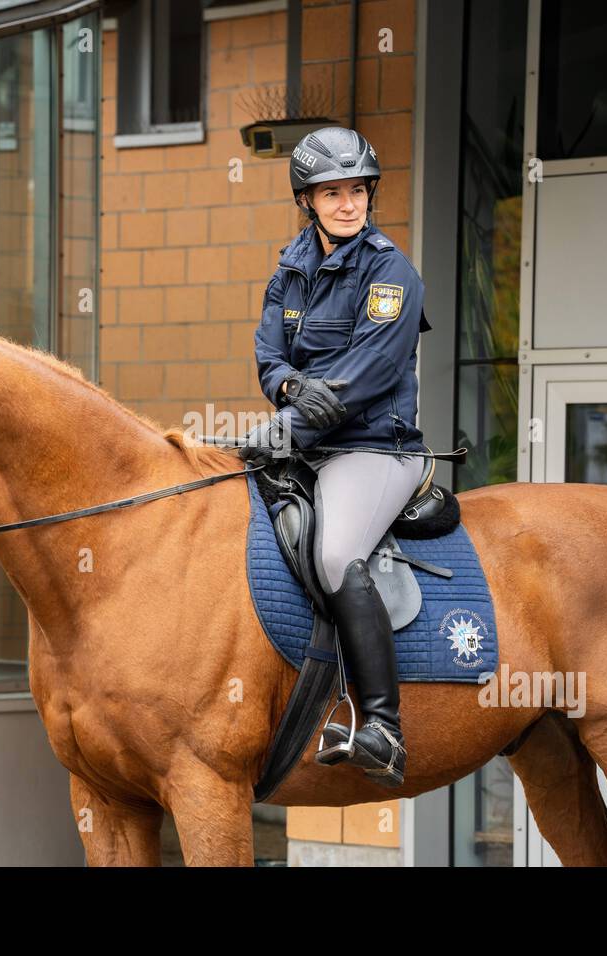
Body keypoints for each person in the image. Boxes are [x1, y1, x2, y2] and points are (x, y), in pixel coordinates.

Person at [241, 126, 431, 787]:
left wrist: (290, 423)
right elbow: (269, 359)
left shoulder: (391, 272)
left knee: (334, 554)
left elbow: (367, 375)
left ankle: (383, 726)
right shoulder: (290, 269)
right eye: (332, 193)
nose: (348, 204)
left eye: (357, 191)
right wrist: (290, 391)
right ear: (308, 200)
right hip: (306, 444)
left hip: (375, 448)